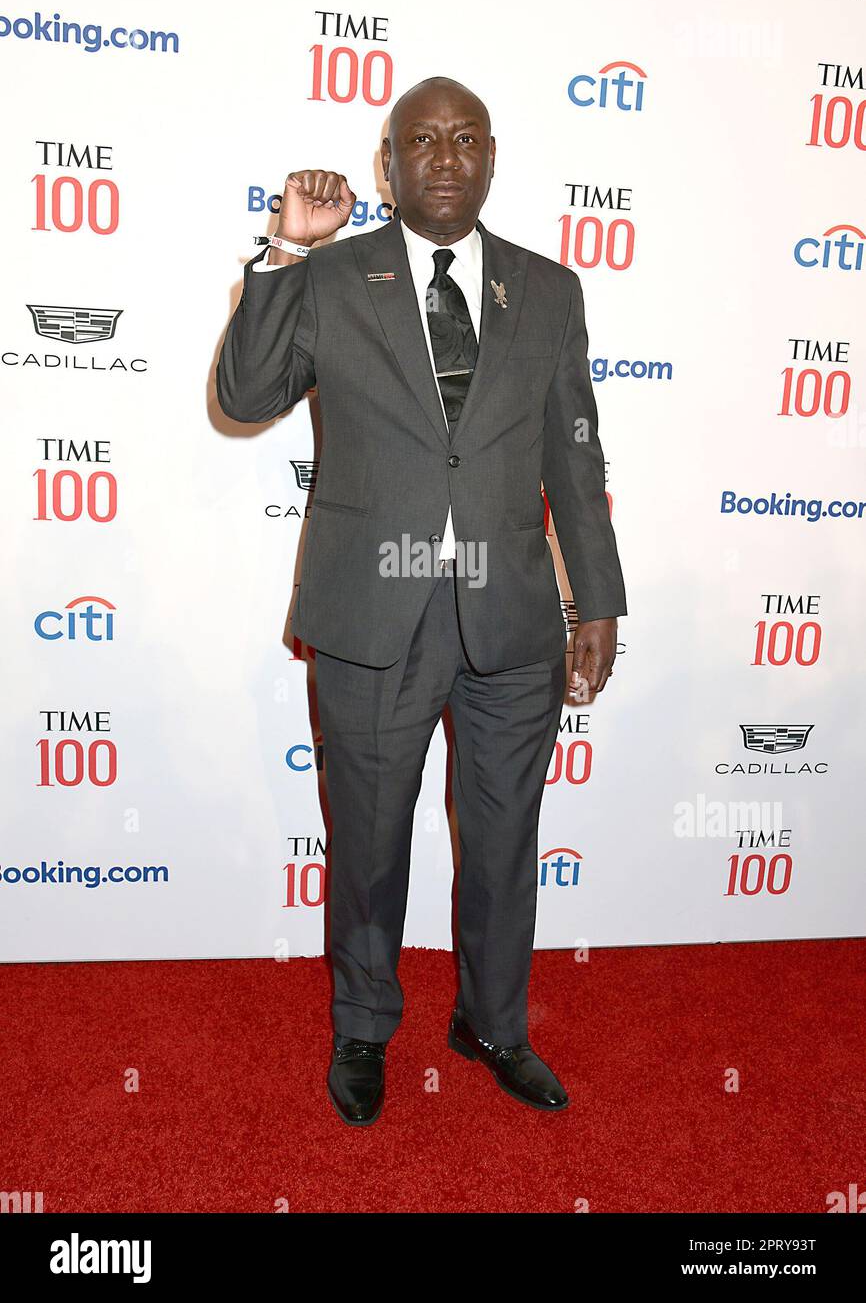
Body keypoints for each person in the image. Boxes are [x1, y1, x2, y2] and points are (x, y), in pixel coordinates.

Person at [216, 76, 626, 1127]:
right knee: (367, 835)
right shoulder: (331, 275)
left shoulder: (547, 288)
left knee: (500, 835)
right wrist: (285, 253)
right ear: (387, 167)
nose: (443, 156)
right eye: (418, 141)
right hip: (370, 612)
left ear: (491, 158)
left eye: (464, 138)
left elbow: (573, 460)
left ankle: (491, 1022)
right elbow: (246, 396)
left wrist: (598, 602)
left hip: (511, 616)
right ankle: (363, 1024)